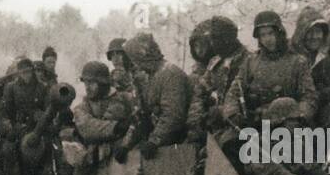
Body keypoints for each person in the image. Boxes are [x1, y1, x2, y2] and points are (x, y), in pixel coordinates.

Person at [223, 10, 317, 129]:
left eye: (270, 33)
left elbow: (309, 97)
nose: (267, 39)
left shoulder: (298, 62)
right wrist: (233, 114)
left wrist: (300, 116)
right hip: (258, 125)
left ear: (279, 33)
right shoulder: (251, 62)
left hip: (290, 124)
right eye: (262, 35)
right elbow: (234, 92)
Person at [113, 33, 191, 161]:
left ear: (143, 56)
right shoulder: (150, 78)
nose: (134, 65)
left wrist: (154, 140)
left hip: (179, 144)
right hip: (163, 144)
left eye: (135, 60)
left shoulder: (170, 74)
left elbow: (173, 115)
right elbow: (141, 116)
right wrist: (126, 145)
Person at [185, 15, 249, 146]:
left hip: (239, 124)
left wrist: (222, 111)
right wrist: (196, 124)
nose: (213, 44)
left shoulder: (248, 61)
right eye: (211, 39)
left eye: (216, 39)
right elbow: (199, 92)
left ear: (227, 39)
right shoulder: (215, 62)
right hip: (215, 125)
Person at [0, 57, 57, 175]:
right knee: (7, 149)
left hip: (38, 128)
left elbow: (49, 111)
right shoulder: (11, 88)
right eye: (23, 72)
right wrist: (8, 128)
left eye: (29, 72)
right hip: (18, 129)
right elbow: (4, 112)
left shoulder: (43, 88)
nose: (26, 75)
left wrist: (42, 118)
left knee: (51, 148)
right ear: (18, 73)